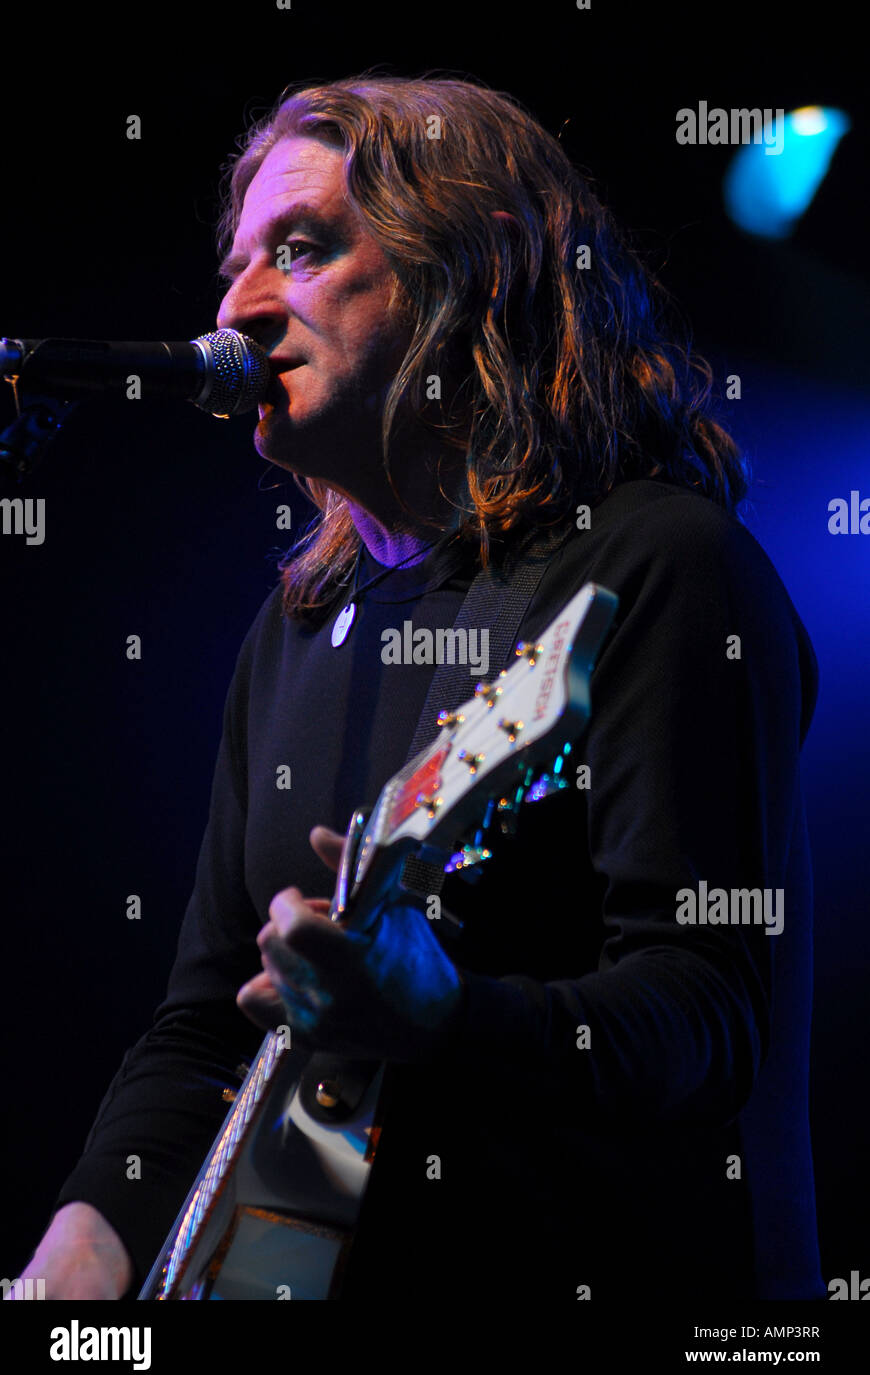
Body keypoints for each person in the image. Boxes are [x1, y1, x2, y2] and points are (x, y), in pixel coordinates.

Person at [8, 74, 824, 1302]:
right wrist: (80, 1250)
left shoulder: (658, 565)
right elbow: (210, 1022)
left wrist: (443, 1013)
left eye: (301, 248)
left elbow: (706, 1018)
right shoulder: (297, 624)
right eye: (237, 264)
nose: (237, 306)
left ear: (476, 270)